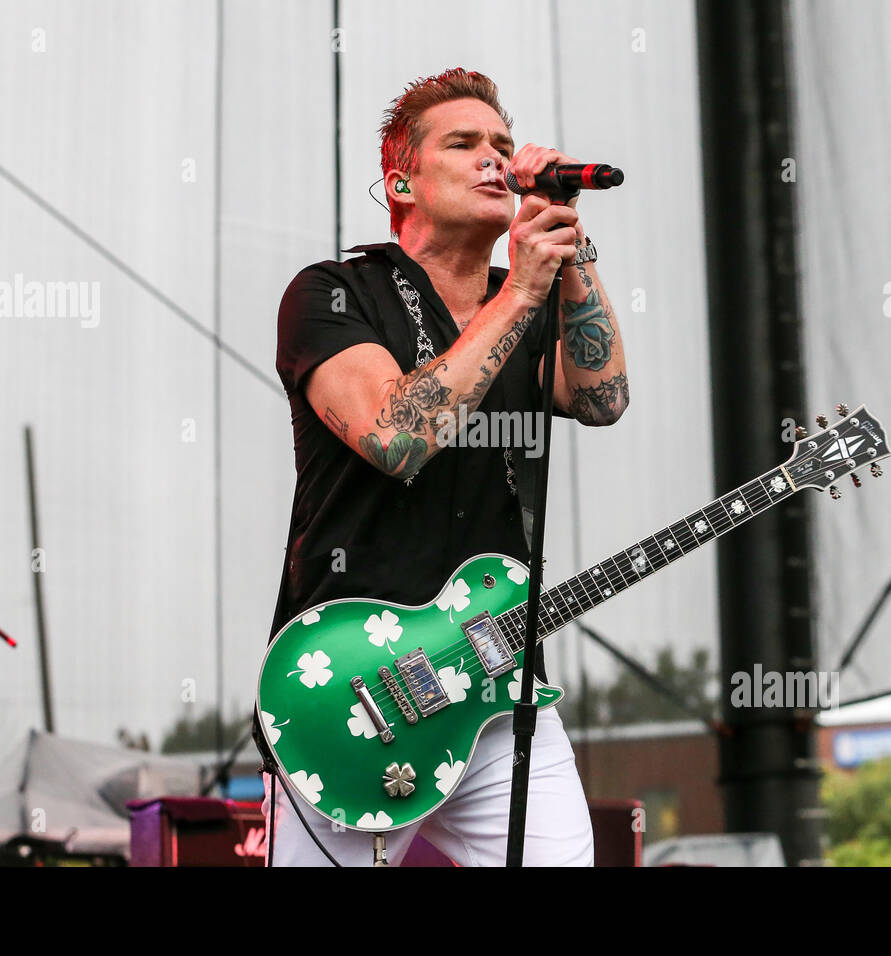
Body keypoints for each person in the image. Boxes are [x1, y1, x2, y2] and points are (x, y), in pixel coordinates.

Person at [259, 67, 629, 866]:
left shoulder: (527, 297)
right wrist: (523, 291)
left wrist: (569, 240)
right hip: (352, 690)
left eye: (503, 143)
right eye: (464, 144)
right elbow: (396, 437)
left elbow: (601, 398)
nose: (494, 158)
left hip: (497, 688)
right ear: (402, 181)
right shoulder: (331, 294)